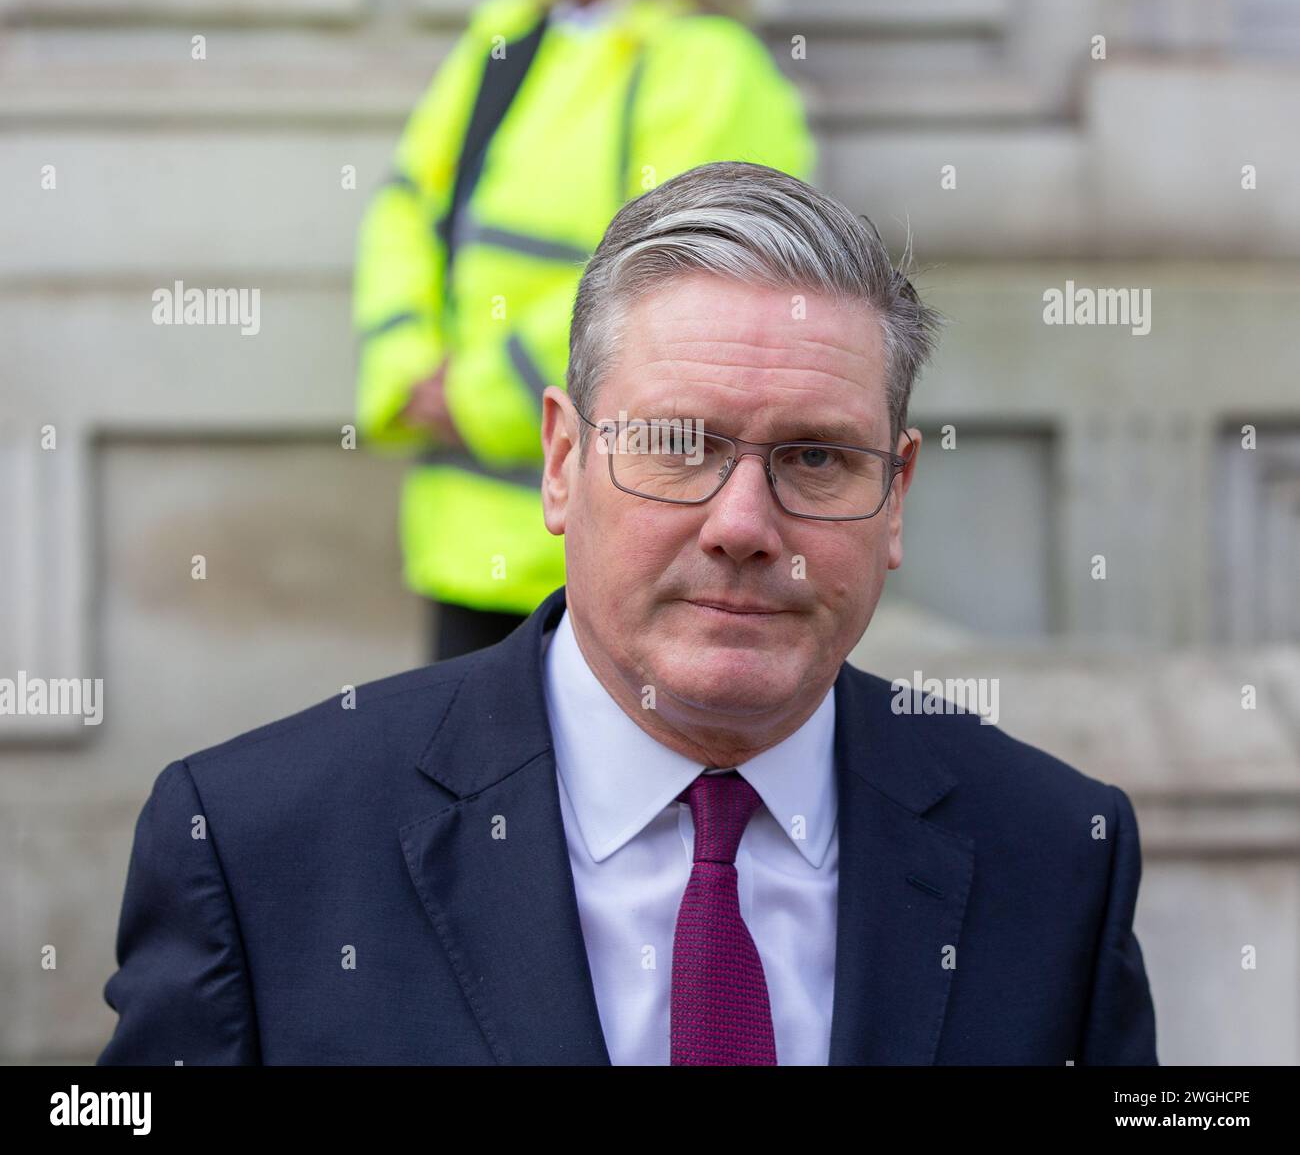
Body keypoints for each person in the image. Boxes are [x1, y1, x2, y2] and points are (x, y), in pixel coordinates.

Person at [98, 160, 1158, 1065]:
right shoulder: (256, 849)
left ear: (896, 497)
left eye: (816, 457)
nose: (743, 524)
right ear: (562, 463)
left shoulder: (1056, 857)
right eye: (676, 446)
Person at [353, 0, 814, 662]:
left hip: (615, 545)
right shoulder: (508, 36)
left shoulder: (708, 69)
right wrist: (405, 367)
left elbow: (674, 277)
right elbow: (406, 207)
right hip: (461, 532)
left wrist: (480, 395)